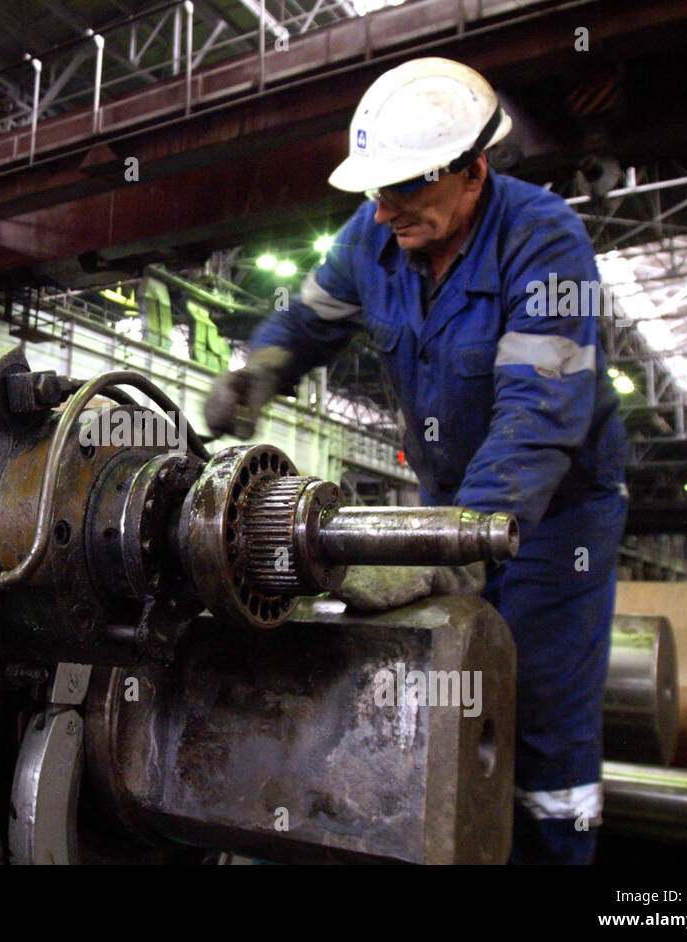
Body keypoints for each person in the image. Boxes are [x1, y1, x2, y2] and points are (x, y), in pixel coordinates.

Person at [204, 57, 629, 864]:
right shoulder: (373, 236)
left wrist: (456, 542)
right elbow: (308, 316)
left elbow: (540, 410)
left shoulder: (545, 238)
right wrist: (259, 368)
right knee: (438, 697)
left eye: (404, 187)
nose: (383, 206)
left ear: (472, 172)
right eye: (376, 188)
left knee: (537, 716)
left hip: (556, 522)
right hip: (449, 504)